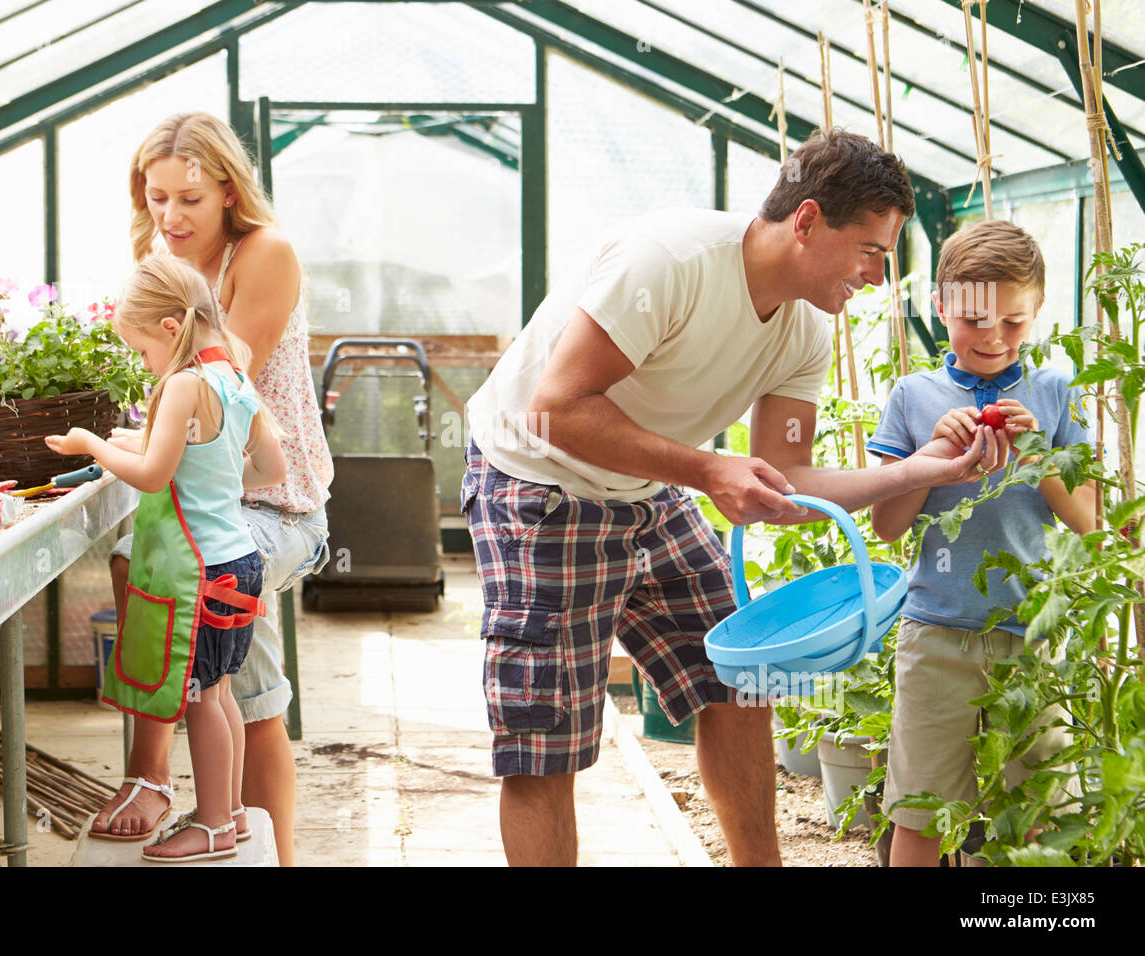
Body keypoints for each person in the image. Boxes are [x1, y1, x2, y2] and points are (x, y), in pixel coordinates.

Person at [461, 128, 1005, 867]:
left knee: (743, 681)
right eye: (872, 252)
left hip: (652, 487)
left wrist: (921, 471)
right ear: (808, 221)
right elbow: (554, 410)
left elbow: (790, 476)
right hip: (539, 484)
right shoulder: (670, 264)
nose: (877, 278)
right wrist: (711, 470)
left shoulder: (803, 333)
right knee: (545, 741)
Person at [89, 112, 334, 866]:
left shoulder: (266, 253)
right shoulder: (162, 262)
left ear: (229, 190)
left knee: (168, 584)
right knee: (237, 686)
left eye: (188, 199)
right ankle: (198, 808)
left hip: (277, 507)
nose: (169, 216)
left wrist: (132, 439)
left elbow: (228, 386)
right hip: (214, 507)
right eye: (156, 198)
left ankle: (173, 791)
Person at [867, 220, 1095, 867]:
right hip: (936, 634)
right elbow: (886, 524)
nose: (993, 338)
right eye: (971, 320)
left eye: (1014, 323)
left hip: (1035, 637)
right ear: (940, 308)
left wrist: (1038, 457)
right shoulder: (913, 397)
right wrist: (932, 456)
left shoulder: (1055, 393)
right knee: (919, 812)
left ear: (1038, 311)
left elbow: (1088, 521)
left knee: (1043, 816)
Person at [47, 254, 287, 860]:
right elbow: (271, 468)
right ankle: (228, 814)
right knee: (222, 694)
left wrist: (94, 445)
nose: (145, 364)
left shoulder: (182, 384)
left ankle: (209, 828)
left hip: (200, 569)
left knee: (203, 699)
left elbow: (152, 477)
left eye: (144, 351)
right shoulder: (234, 375)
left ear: (172, 326)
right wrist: (211, 466)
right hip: (241, 560)